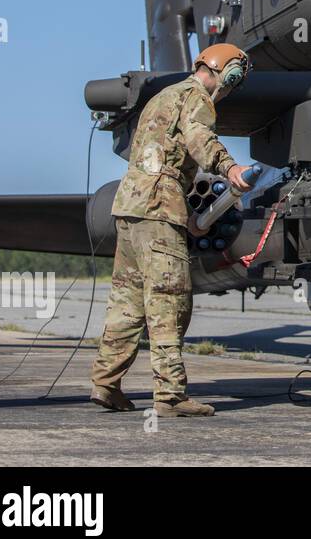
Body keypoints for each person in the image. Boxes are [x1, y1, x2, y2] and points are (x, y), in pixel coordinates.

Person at [90, 43, 255, 416]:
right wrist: (231, 170)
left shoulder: (165, 95)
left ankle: (105, 384)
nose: (229, 90)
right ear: (224, 74)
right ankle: (170, 395)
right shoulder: (198, 98)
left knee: (127, 303)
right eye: (232, 82)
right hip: (159, 207)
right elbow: (201, 139)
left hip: (131, 206)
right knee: (170, 298)